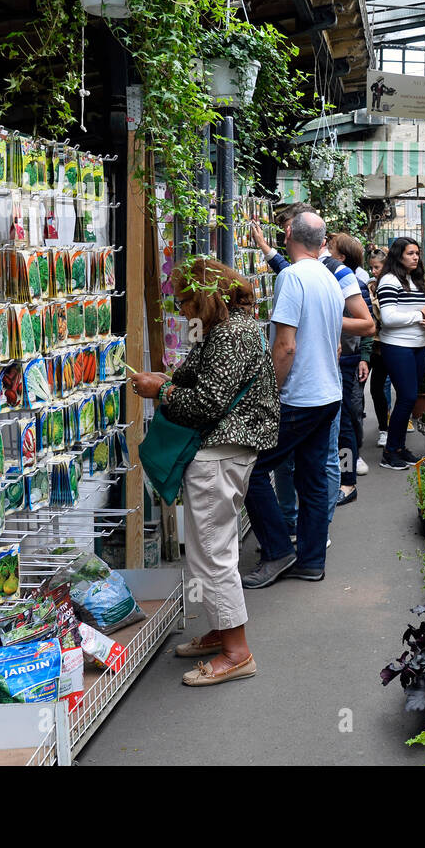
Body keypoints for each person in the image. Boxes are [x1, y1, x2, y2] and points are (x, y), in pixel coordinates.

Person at [131, 258, 277, 686]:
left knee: (212, 553)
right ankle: (221, 630)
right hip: (228, 451)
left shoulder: (230, 334)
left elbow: (206, 404)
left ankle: (237, 652)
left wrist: (163, 389)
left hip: (220, 453)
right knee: (208, 548)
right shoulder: (238, 327)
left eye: (185, 302)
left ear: (205, 296)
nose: (181, 312)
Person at [242, 208, 374, 588]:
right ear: (321, 242)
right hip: (327, 394)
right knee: (314, 481)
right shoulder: (330, 278)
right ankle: (311, 560)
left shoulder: (293, 278)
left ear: (288, 235)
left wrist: (266, 394)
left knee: (250, 469)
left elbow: (284, 347)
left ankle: (279, 550)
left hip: (298, 397)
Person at [375, 236, 425, 470]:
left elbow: (421, 313)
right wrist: (420, 317)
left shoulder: (415, 280)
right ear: (398, 255)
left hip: (419, 346)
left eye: (417, 253)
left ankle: (399, 447)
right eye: (410, 253)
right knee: (408, 397)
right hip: (398, 346)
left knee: (407, 399)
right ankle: (389, 453)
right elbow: (388, 319)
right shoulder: (389, 280)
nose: (415, 257)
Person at [326, 232, 374, 497]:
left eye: (330, 248)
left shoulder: (354, 284)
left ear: (341, 258)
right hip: (337, 359)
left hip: (348, 360)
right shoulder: (327, 279)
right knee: (342, 417)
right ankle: (344, 470)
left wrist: (364, 358)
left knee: (349, 416)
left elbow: (368, 327)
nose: (324, 251)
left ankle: (349, 472)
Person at [366, 248, 393, 448]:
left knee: (380, 387)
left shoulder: (390, 285)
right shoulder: (369, 286)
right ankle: (384, 428)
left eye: (377, 267)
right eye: (372, 267)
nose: (374, 271)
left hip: (384, 346)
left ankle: (386, 429)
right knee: (375, 389)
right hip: (370, 345)